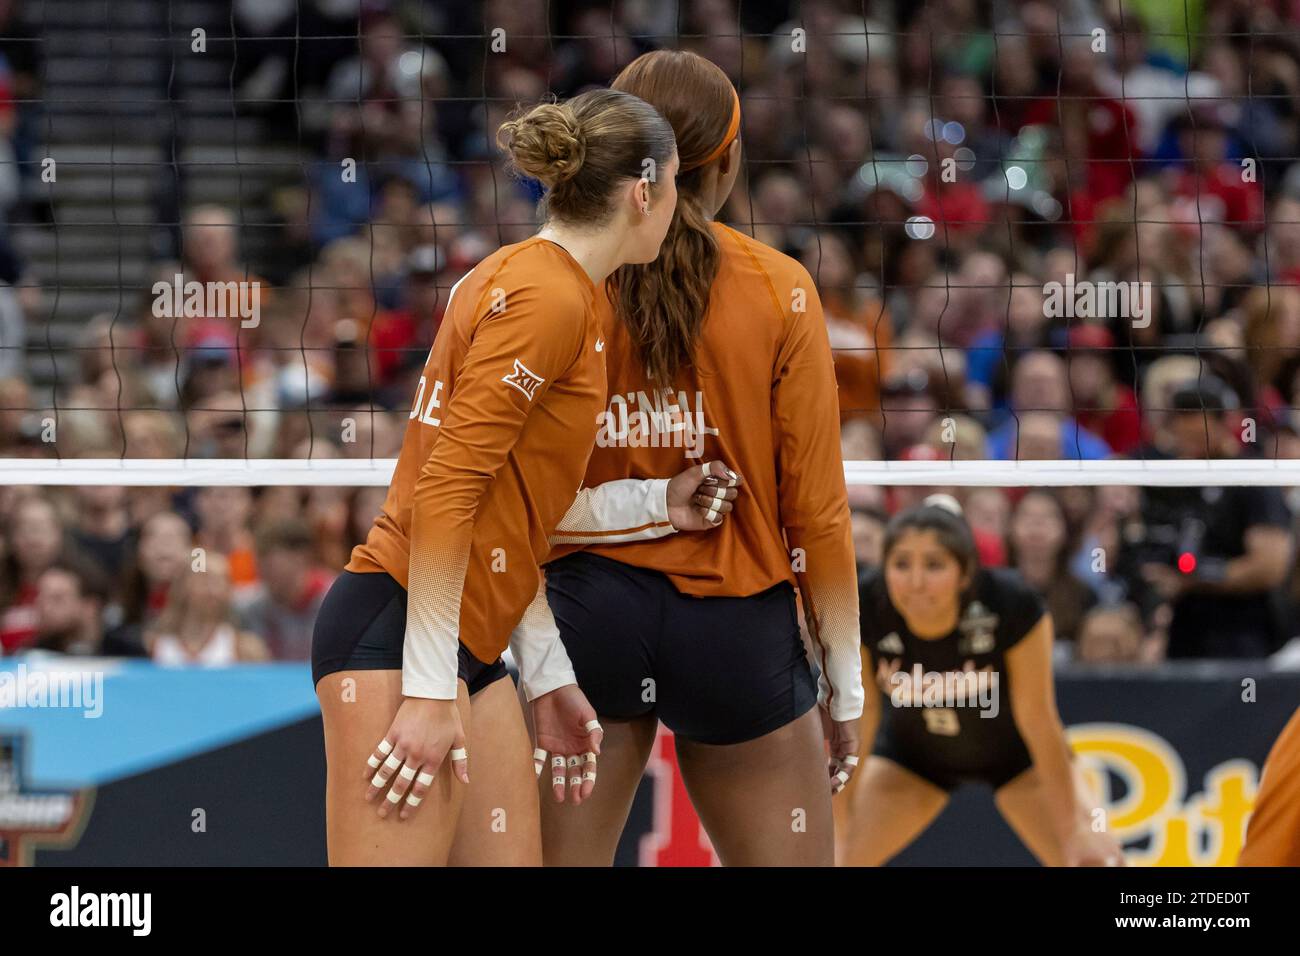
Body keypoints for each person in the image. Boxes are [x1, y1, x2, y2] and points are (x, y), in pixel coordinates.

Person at [312, 88, 729, 867]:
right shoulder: (548, 300)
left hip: (468, 640)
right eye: (674, 186)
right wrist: (431, 689)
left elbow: (515, 516)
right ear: (645, 192)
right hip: (400, 630)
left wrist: (547, 671)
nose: (677, 207)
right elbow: (448, 490)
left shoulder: (538, 284)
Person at [531, 51, 863, 867]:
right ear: (726, 159)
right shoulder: (781, 289)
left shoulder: (552, 280)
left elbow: (511, 492)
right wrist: (845, 689)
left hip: (589, 613)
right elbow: (816, 513)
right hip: (737, 623)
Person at [836, 496, 1124, 866]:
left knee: (1095, 861)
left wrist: (1074, 831)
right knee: (830, 859)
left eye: (935, 565)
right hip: (913, 760)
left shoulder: (1010, 603)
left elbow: (1038, 718)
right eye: (901, 564)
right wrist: (837, 829)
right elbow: (860, 719)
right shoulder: (865, 604)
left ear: (966, 572)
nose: (916, 582)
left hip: (1019, 759)